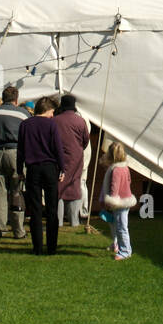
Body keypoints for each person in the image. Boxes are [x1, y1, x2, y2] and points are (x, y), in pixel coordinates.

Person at [17, 95, 64, 255]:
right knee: (52, 209)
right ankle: (51, 247)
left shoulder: (25, 125)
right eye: (52, 111)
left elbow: (21, 149)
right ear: (47, 110)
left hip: (33, 168)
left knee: (35, 209)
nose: (53, 115)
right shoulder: (52, 125)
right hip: (50, 168)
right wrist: (62, 168)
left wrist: (19, 169)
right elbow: (58, 148)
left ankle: (37, 246)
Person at [0, 85, 30, 239]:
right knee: (16, 191)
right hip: (15, 153)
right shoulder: (23, 114)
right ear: (16, 100)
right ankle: (18, 230)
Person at [53, 94, 90, 228]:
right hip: (76, 157)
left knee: (59, 187)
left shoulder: (55, 120)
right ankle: (74, 221)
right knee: (74, 186)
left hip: (58, 157)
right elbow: (86, 140)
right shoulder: (80, 121)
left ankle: (59, 221)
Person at [100, 142, 137, 260]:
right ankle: (117, 245)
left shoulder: (116, 170)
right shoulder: (125, 167)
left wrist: (111, 201)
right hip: (125, 199)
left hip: (119, 202)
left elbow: (114, 188)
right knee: (118, 225)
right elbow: (129, 181)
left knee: (121, 227)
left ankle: (125, 251)